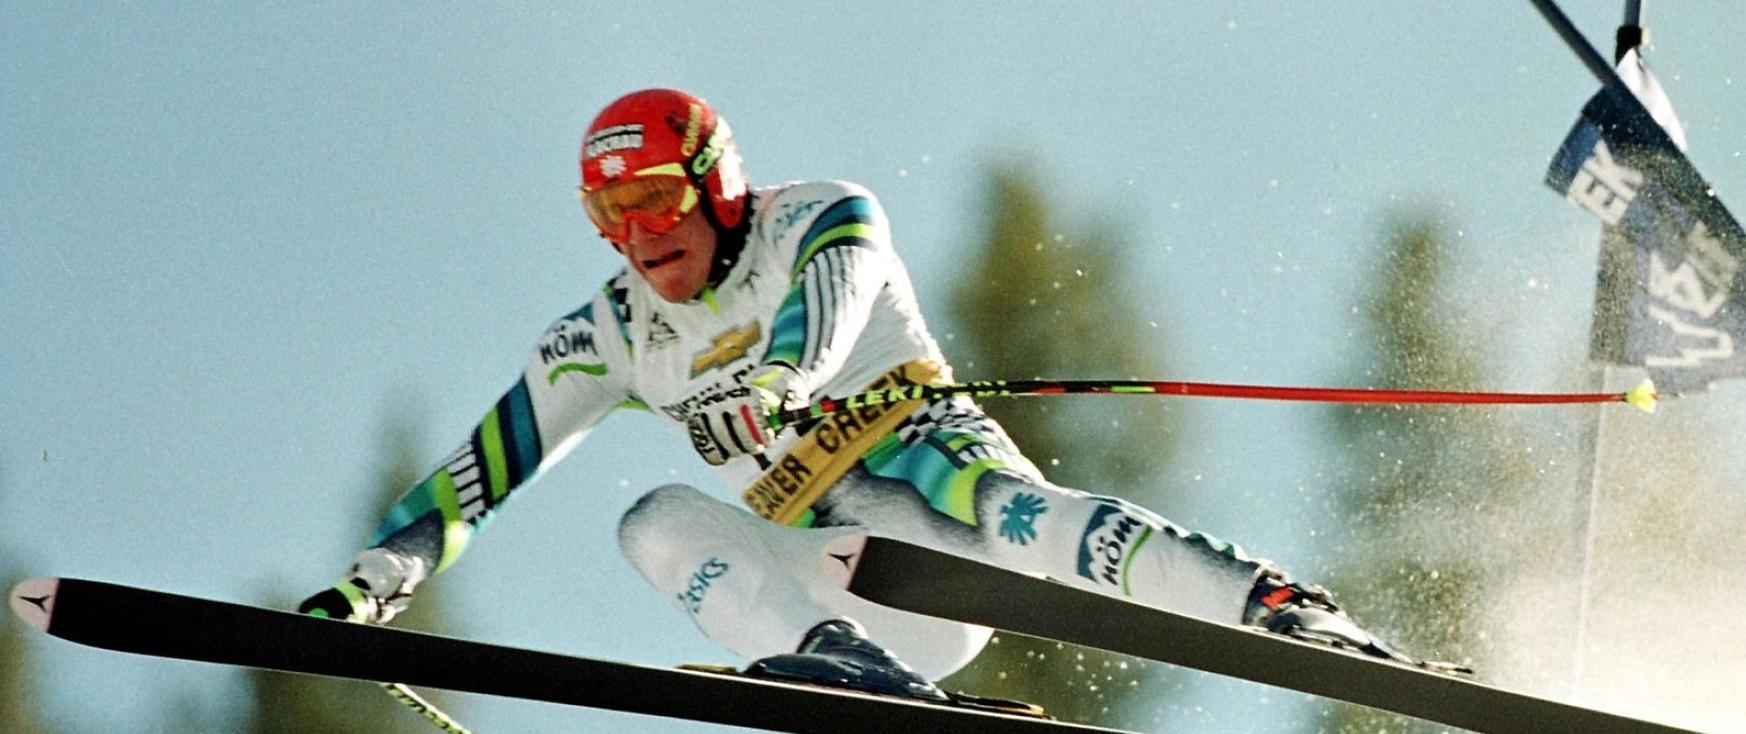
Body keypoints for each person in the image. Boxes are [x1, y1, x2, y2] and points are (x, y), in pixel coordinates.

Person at [300, 87, 1430, 702]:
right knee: (648, 519)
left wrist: (781, 381)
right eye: (610, 218)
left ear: (715, 181)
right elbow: (484, 465)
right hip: (849, 588)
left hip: (943, 497)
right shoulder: (611, 334)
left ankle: (1274, 606)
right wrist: (373, 582)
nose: (638, 238)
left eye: (653, 200)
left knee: (1012, 504)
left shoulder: (820, 215)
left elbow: (830, 303)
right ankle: (828, 655)